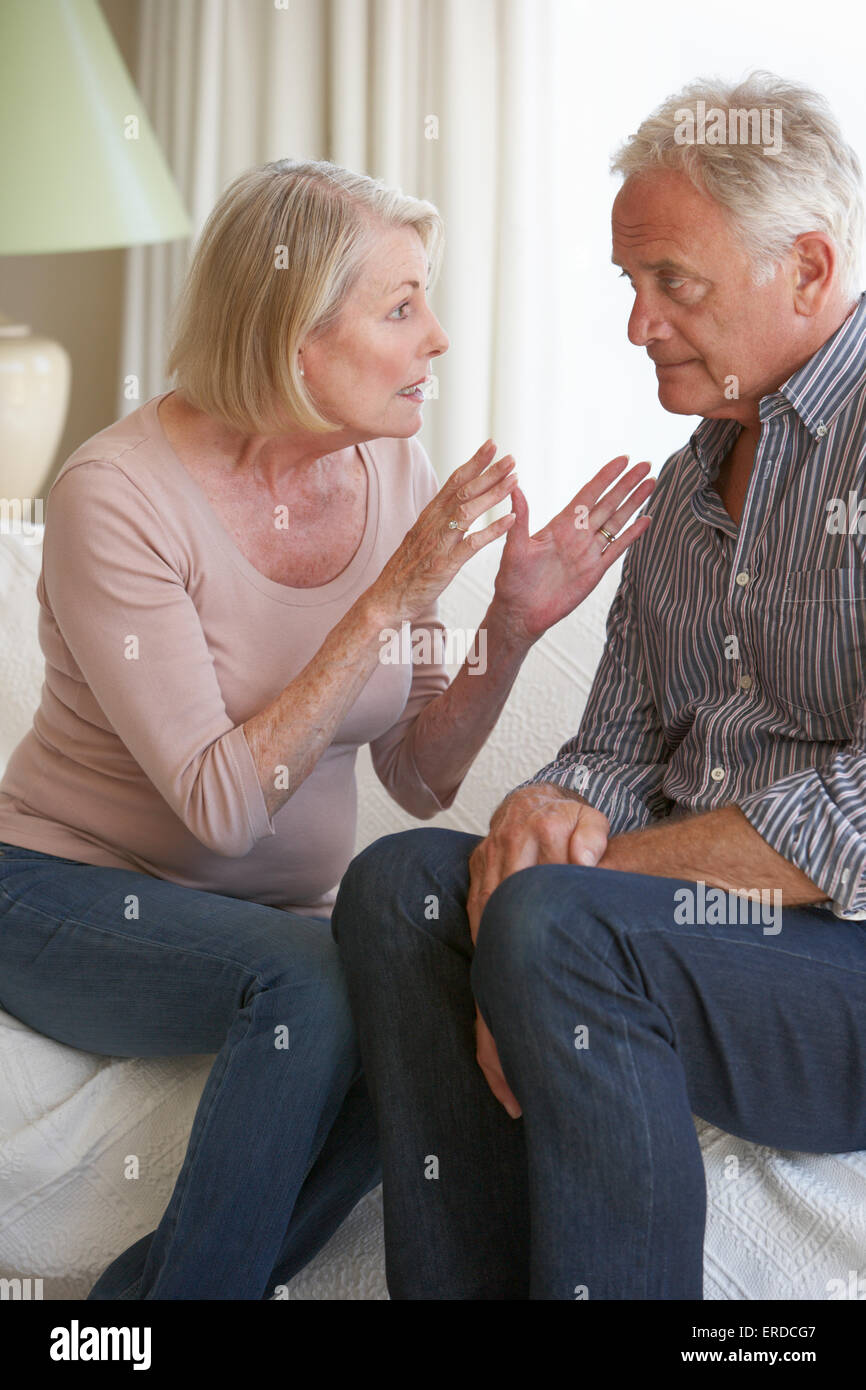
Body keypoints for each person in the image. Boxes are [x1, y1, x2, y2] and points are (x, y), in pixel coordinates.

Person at [0, 158, 653, 1300]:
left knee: (432, 997)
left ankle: (133, 1317)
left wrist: (507, 624)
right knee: (310, 981)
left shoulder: (387, 473)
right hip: (66, 890)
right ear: (293, 333)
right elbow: (217, 808)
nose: (437, 338)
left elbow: (414, 770)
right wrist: (390, 594)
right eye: (400, 307)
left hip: (271, 919)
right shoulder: (118, 495)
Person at [333, 72, 866, 1300]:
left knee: (547, 914)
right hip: (686, 941)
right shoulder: (686, 487)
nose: (637, 324)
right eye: (630, 284)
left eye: (671, 282)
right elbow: (618, 743)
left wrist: (569, 891)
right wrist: (543, 810)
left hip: (841, 965)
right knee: (401, 886)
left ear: (806, 266)